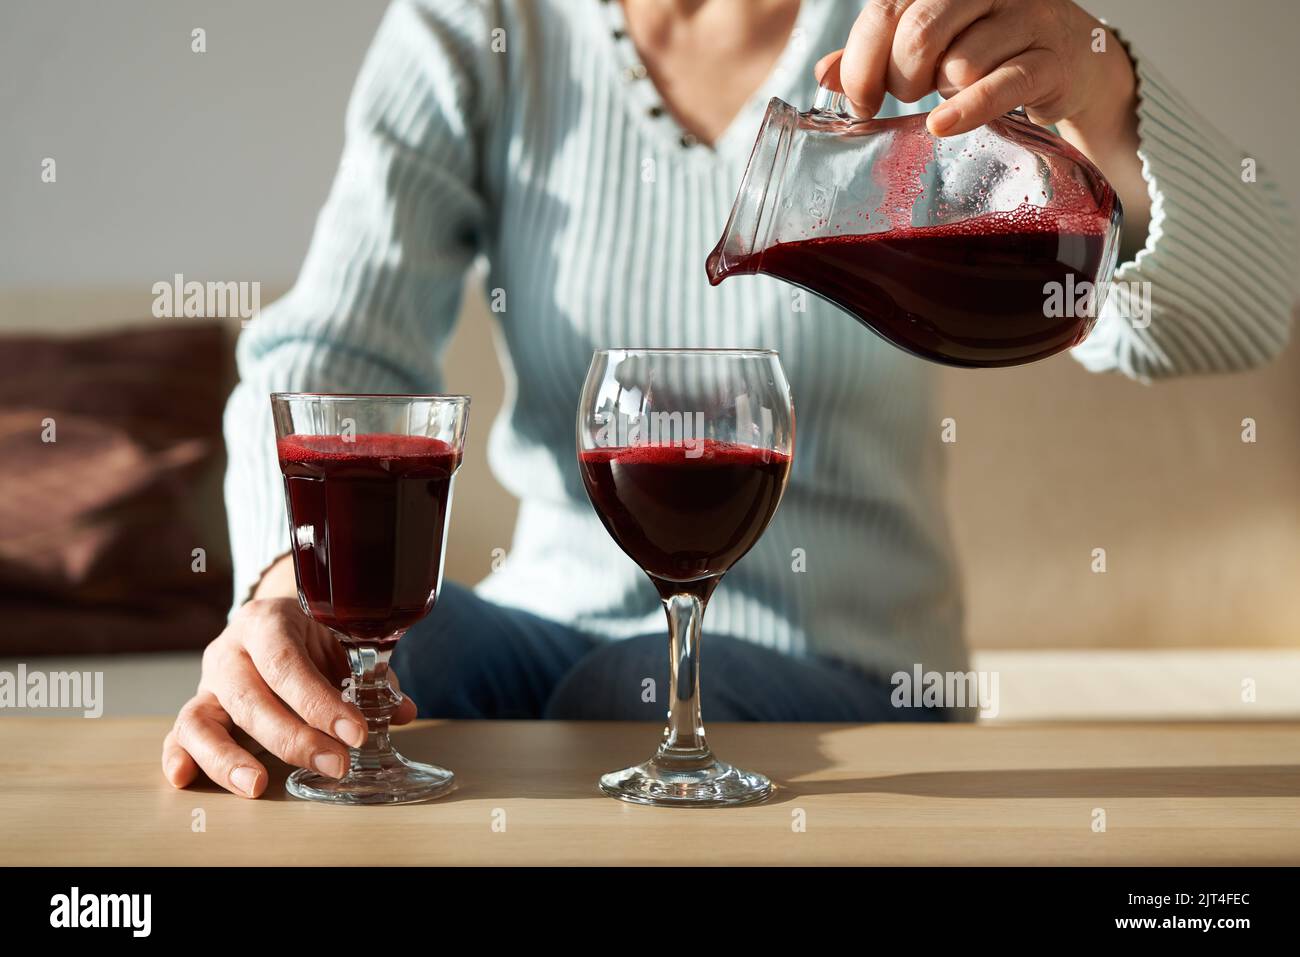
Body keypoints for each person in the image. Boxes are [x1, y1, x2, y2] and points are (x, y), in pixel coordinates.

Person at [163, 0, 1296, 798]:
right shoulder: (480, 24)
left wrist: (1102, 91)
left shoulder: (909, 38)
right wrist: (284, 583)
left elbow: (1247, 313)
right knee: (364, 670)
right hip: (546, 630)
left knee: (628, 689)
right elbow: (332, 348)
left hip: (848, 668)